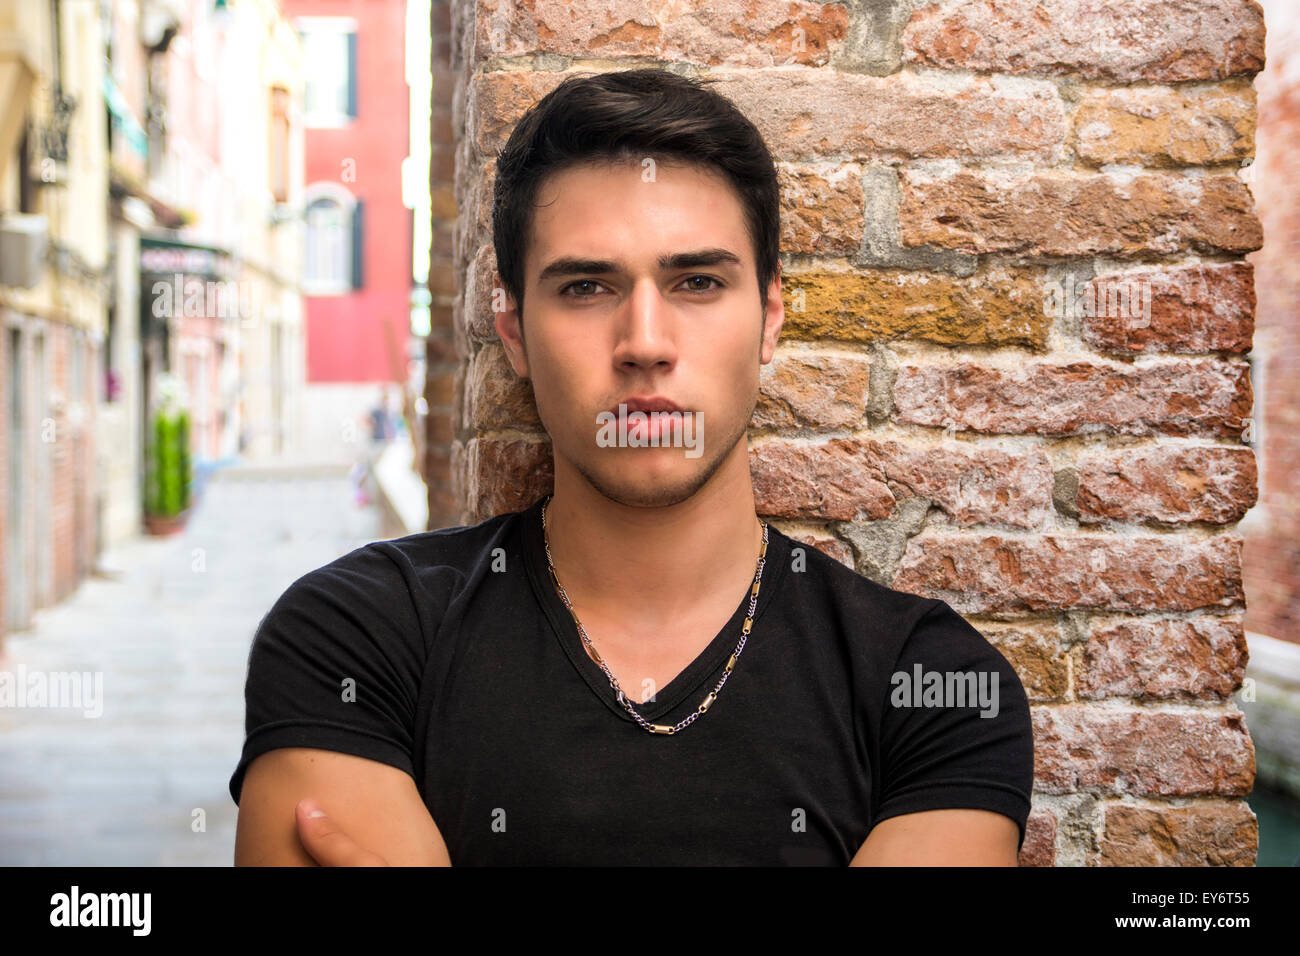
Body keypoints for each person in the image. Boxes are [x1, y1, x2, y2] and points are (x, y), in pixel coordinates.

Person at [230, 68, 1033, 866]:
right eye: (585, 286)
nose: (644, 341)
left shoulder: (932, 687)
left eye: (697, 282)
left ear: (769, 320)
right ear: (513, 332)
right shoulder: (353, 640)